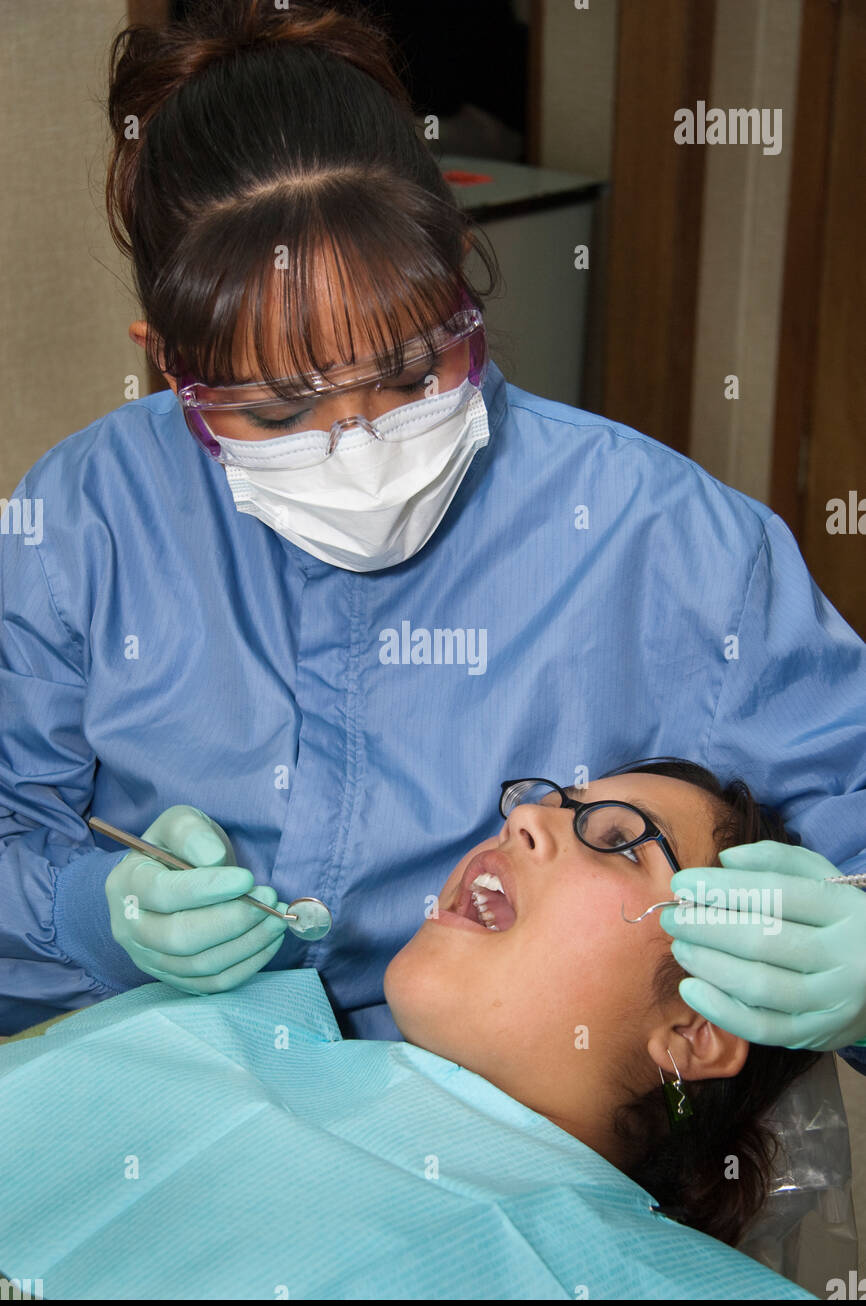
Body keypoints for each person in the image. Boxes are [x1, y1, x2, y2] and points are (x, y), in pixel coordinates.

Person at [0, 0, 864, 1084]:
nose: (359, 449)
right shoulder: (85, 516)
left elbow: (847, 811)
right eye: (274, 410)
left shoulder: (670, 545)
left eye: (412, 374)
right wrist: (91, 908)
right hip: (164, 1113)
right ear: (171, 365)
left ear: (463, 283)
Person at [0, 759, 826, 1299]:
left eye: (617, 843)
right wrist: (87, 909)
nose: (524, 820)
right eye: (547, 801)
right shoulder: (221, 1035)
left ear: (691, 1031)